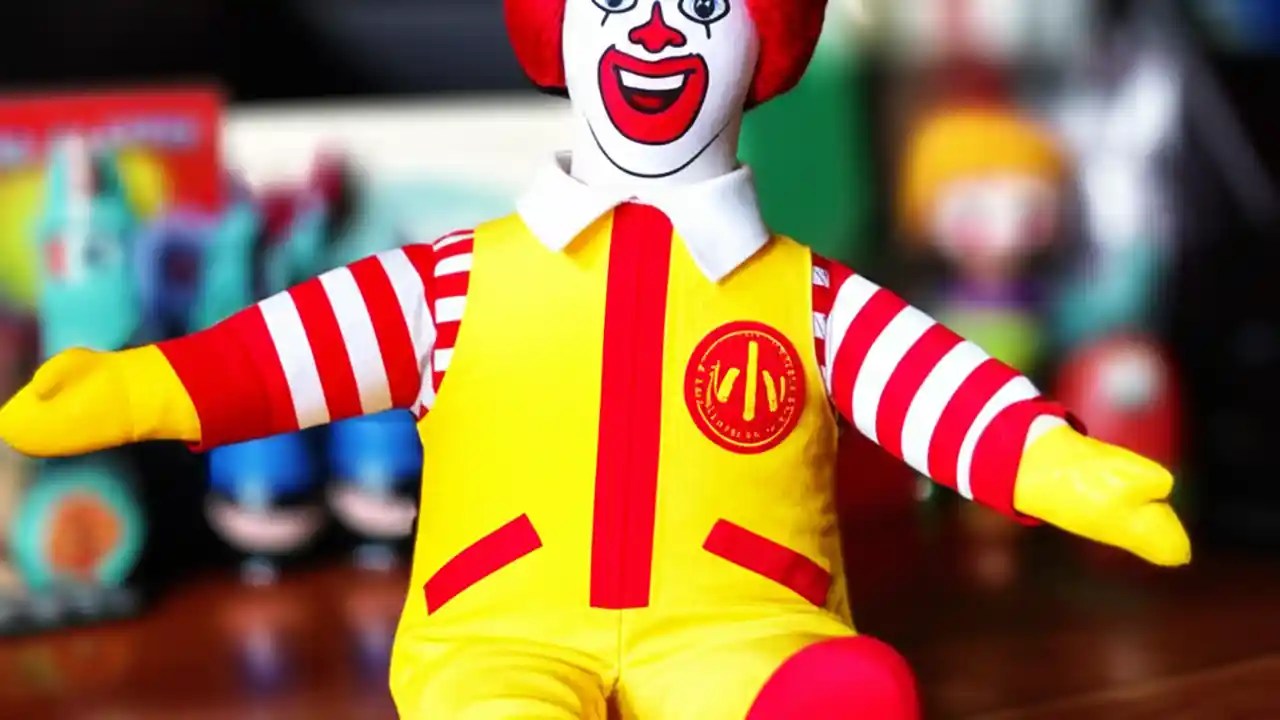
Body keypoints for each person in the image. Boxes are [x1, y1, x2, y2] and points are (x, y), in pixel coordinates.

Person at [0, 1, 1190, 718]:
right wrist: (139, 385)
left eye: (702, 5)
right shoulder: (453, 278)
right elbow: (301, 346)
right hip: (498, 622)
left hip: (745, 624)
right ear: (556, 30)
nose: (655, 30)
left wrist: (1051, 463)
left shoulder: (803, 298)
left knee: (836, 695)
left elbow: (926, 384)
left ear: (765, 46)